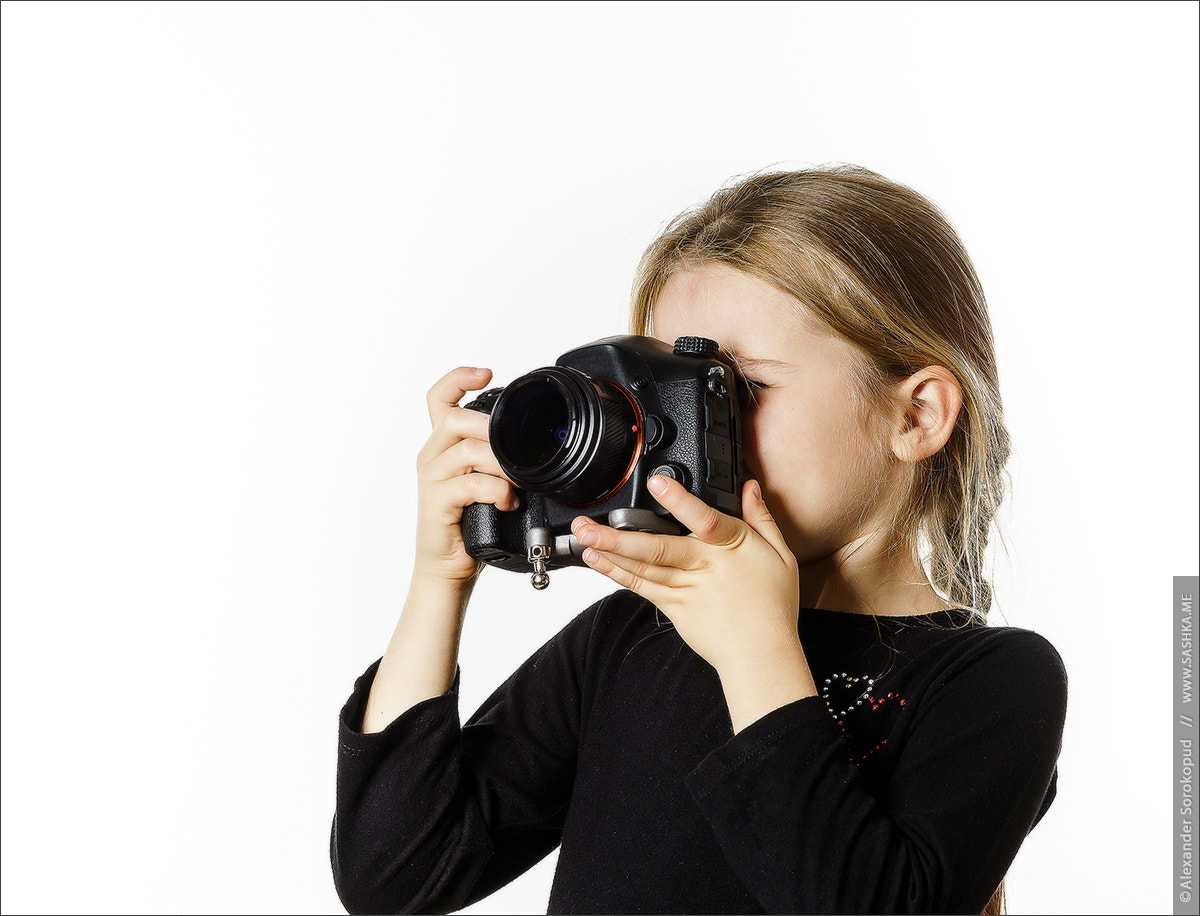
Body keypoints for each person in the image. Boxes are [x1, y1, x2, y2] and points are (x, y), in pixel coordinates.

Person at [330, 166, 1067, 915]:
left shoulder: (996, 679)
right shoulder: (631, 637)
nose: (680, 437)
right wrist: (439, 578)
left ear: (916, 417)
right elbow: (394, 875)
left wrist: (756, 648)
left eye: (734, 387)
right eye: (668, 390)